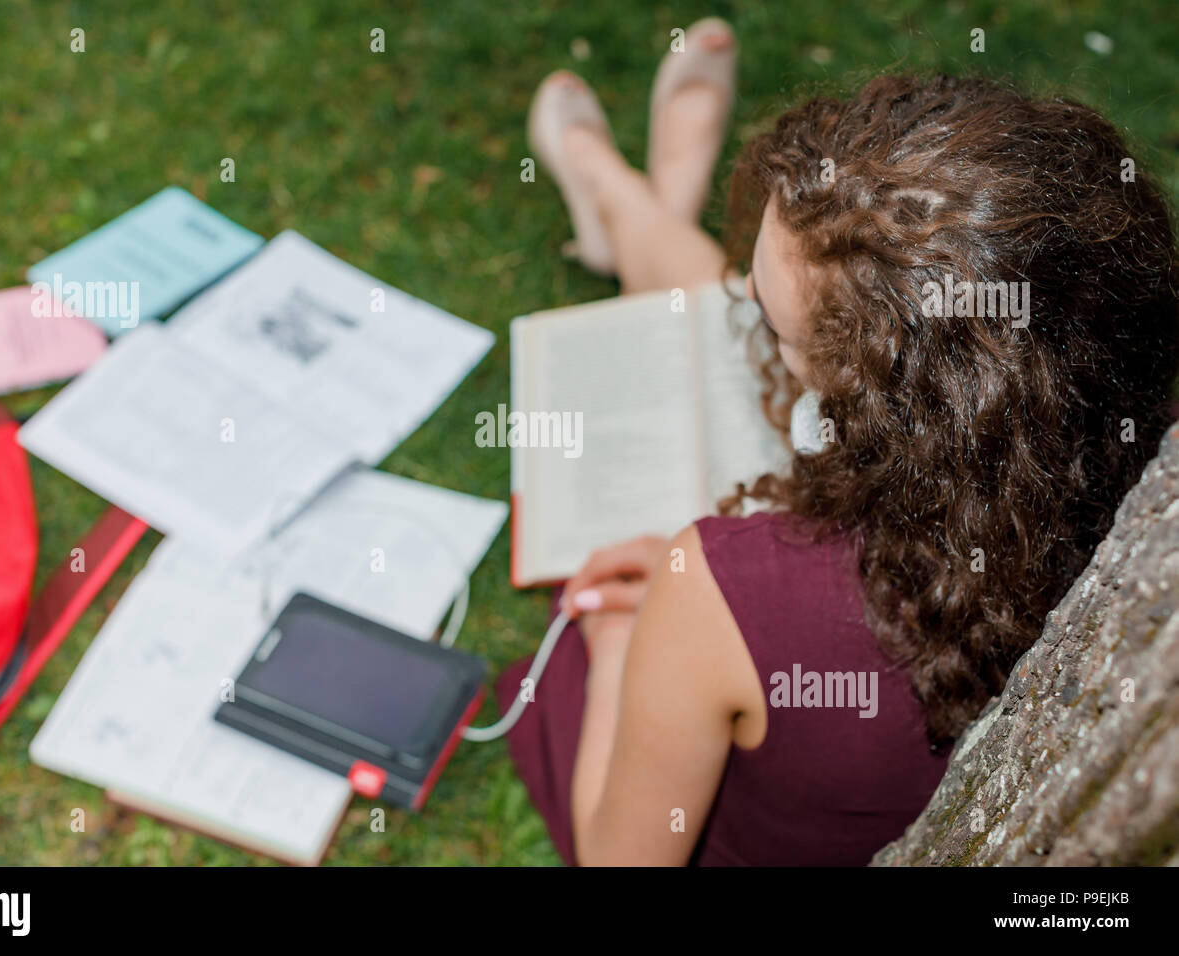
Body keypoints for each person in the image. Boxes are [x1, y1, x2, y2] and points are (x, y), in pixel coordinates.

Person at [496, 18, 1179, 865]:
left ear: (877, 397)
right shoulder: (1117, 474)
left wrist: (615, 643)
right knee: (707, 310)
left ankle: (606, 185)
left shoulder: (722, 594)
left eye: (781, 328)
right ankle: (630, 202)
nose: (761, 327)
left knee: (702, 317)